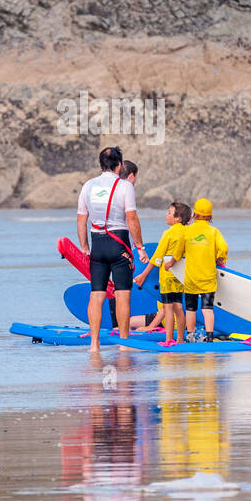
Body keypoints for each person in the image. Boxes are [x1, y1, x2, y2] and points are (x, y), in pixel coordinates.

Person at [76, 146, 149, 352]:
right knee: (122, 294)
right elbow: (131, 217)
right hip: (119, 244)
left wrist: (84, 247)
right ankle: (124, 344)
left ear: (101, 164)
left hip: (97, 244)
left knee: (96, 295)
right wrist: (140, 247)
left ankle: (94, 344)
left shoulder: (88, 186)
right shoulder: (125, 186)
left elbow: (82, 219)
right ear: (119, 165)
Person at [133, 201, 191, 346]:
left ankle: (169, 340)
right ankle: (180, 339)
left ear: (177, 218)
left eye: (169, 213)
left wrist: (143, 275)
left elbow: (157, 257)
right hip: (180, 276)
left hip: (167, 276)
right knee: (178, 307)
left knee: (168, 308)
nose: (166, 214)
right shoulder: (187, 232)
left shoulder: (169, 233)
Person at [182, 197, 228, 342]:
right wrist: (220, 258)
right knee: (207, 308)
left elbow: (179, 249)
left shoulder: (187, 231)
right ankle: (209, 337)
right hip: (208, 276)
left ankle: (190, 336)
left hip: (191, 277)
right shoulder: (214, 232)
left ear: (194, 214)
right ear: (210, 216)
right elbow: (224, 248)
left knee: (190, 309)